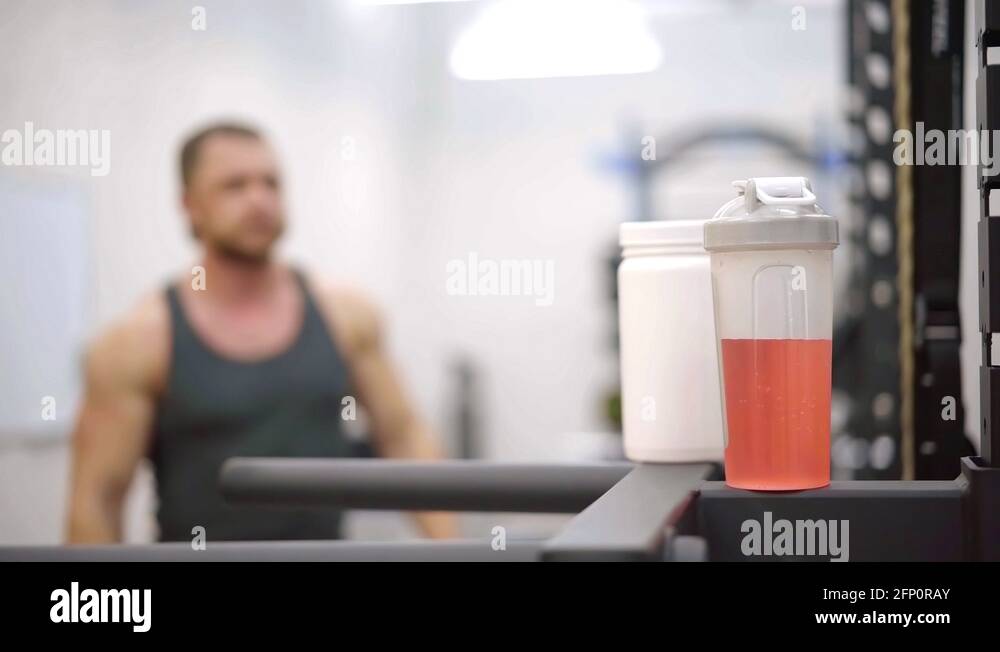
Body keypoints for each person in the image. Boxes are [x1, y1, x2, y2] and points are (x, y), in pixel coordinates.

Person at [66, 122, 455, 542]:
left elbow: (404, 438)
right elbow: (98, 500)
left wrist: (456, 554)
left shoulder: (347, 317)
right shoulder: (138, 342)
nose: (260, 200)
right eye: (234, 186)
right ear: (189, 204)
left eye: (271, 183)